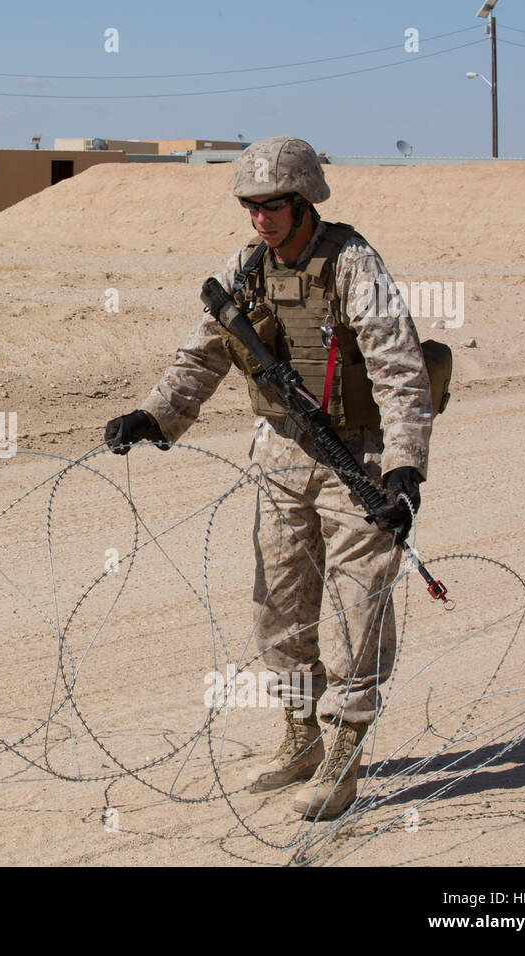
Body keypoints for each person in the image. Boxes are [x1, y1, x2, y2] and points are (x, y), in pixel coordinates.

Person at [104, 136, 433, 820]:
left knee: (356, 610)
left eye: (274, 204)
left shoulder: (352, 263)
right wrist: (155, 416)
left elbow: (400, 371)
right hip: (282, 455)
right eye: (252, 205)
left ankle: (343, 753)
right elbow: (203, 352)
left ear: (305, 198)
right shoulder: (247, 267)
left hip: (357, 458)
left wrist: (404, 468)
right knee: (278, 607)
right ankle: (300, 735)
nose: (262, 218)